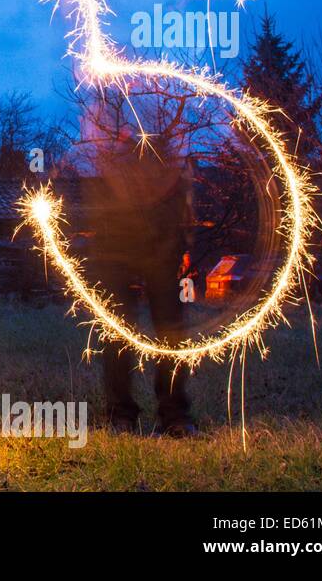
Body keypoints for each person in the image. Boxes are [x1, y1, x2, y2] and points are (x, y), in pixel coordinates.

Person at [83, 120, 198, 437]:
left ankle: (174, 416)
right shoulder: (108, 139)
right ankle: (122, 416)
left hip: (160, 244)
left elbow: (181, 193)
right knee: (119, 331)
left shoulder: (166, 143)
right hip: (114, 245)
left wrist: (175, 240)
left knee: (170, 330)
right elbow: (95, 189)